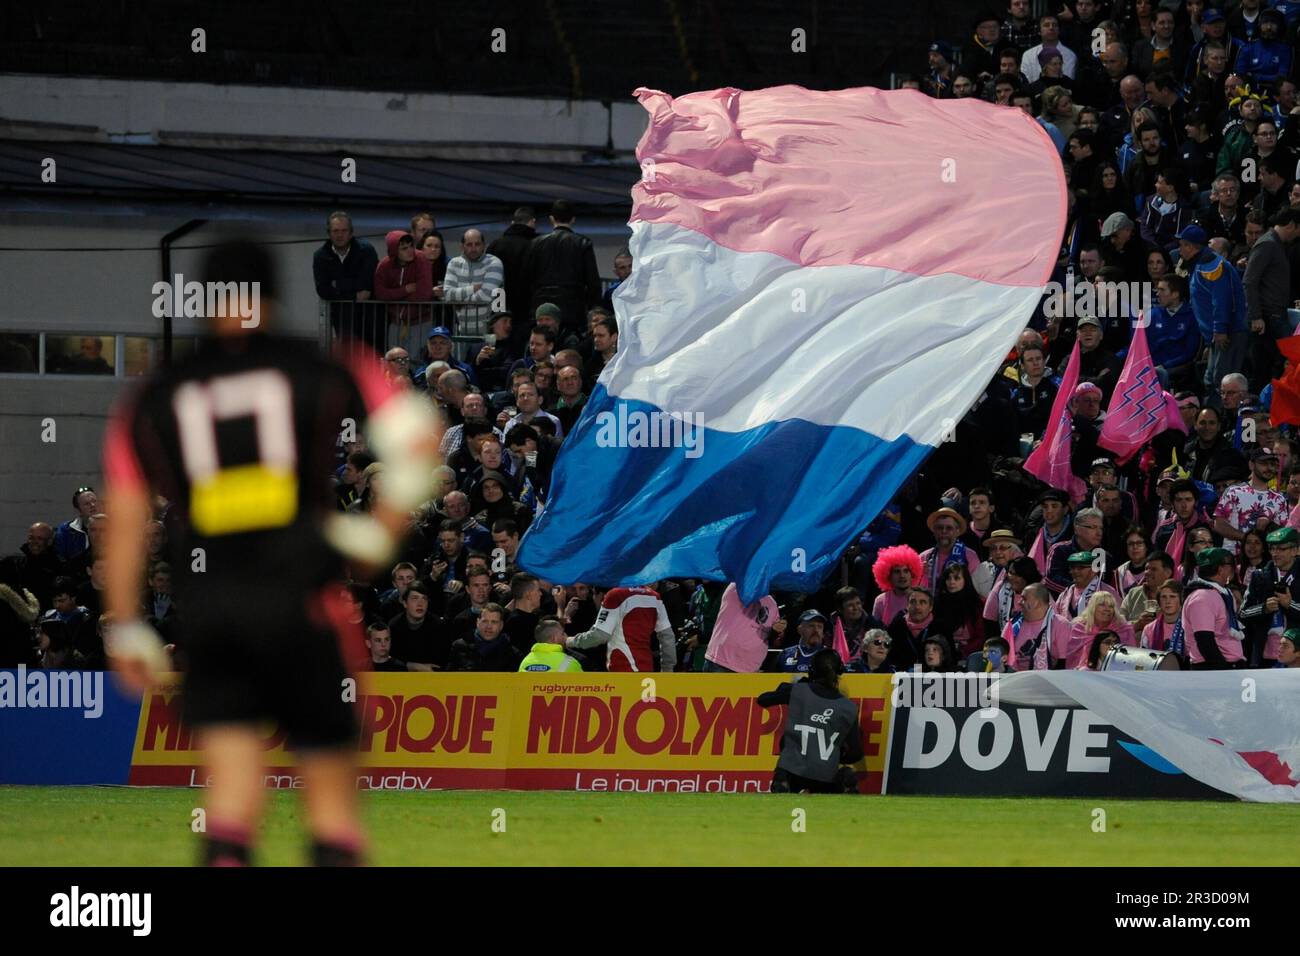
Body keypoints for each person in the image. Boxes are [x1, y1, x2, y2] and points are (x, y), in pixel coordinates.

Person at [102, 238, 440, 867]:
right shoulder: (327, 364)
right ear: (275, 297)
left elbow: (123, 518)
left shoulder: (154, 394)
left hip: (211, 610)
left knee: (230, 799)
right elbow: (420, 441)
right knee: (332, 807)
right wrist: (375, 534)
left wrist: (125, 626)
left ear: (203, 302)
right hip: (303, 600)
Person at [757, 649, 863, 794]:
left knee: (785, 750)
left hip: (794, 771)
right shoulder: (849, 708)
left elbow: (762, 700)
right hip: (826, 775)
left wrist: (787, 688)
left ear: (811, 671)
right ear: (839, 673)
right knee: (844, 772)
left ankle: (782, 782)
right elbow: (856, 753)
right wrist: (835, 755)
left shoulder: (798, 691)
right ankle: (846, 784)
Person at [524, 199, 602, 340]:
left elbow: (527, 278)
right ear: (573, 219)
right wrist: (592, 309)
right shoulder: (583, 243)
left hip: (541, 308)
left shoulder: (535, 244)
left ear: (551, 219)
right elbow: (593, 282)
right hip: (573, 310)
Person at [565, 583, 676, 672]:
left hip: (622, 669)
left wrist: (569, 641)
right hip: (646, 668)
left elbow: (599, 636)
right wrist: (667, 671)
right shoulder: (654, 596)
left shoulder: (615, 594)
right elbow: (668, 638)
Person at [1238, 525, 1300, 666]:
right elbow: (1242, 613)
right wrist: (1264, 608)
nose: (1275, 553)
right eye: (1272, 548)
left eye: (1281, 549)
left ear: (1295, 550)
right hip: (1265, 655)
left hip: (1296, 655)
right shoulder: (1260, 576)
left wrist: (1290, 605)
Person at [1181, 547, 1247, 668]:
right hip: (1212, 668)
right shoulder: (1202, 598)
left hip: (1229, 666)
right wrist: (1223, 670)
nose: (1233, 568)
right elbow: (1204, 640)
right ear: (1220, 569)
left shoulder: (1222, 593)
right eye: (1230, 565)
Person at [1213, 447, 1288, 553]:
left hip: (1264, 561)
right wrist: (1246, 538)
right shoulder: (1233, 492)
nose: (1269, 468)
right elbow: (1219, 525)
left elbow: (1281, 533)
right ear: (1251, 465)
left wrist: (1270, 526)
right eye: (1264, 463)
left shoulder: (1279, 499)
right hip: (1233, 558)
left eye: (1272, 464)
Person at [701, 582, 785, 673]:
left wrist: (776, 631)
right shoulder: (736, 588)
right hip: (720, 663)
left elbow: (774, 641)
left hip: (750, 669)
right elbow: (749, 593)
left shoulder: (772, 603)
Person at [438, 229, 504, 338]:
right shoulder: (454, 263)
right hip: (462, 332)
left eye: (477, 244)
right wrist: (472, 289)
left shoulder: (494, 262)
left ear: (483, 245)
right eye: (469, 244)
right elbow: (448, 295)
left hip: (489, 334)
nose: (473, 249)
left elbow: (486, 296)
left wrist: (459, 302)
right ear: (462, 246)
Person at [1005, 582, 1071, 670]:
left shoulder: (1061, 625)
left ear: (1038, 603)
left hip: (1049, 679)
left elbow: (1064, 663)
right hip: (1013, 677)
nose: (1019, 602)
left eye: (1024, 598)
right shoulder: (1012, 624)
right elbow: (1002, 658)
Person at [1064, 590, 1135, 668]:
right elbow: (1071, 658)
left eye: (1111, 606)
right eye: (1102, 605)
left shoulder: (1124, 629)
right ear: (1092, 607)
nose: (1107, 609)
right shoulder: (1079, 628)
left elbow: (1131, 658)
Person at [446, 603, 521, 672]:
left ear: (501, 625)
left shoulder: (513, 654)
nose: (489, 626)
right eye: (485, 621)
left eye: (494, 622)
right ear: (477, 622)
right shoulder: (459, 647)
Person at [871, 544, 922, 625]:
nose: (902, 576)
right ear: (888, 575)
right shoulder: (880, 601)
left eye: (906, 571)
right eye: (897, 571)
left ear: (912, 574)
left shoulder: (921, 598)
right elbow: (875, 631)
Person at [518, 616, 584, 672]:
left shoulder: (525, 662)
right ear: (554, 639)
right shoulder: (570, 663)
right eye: (562, 633)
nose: (566, 636)